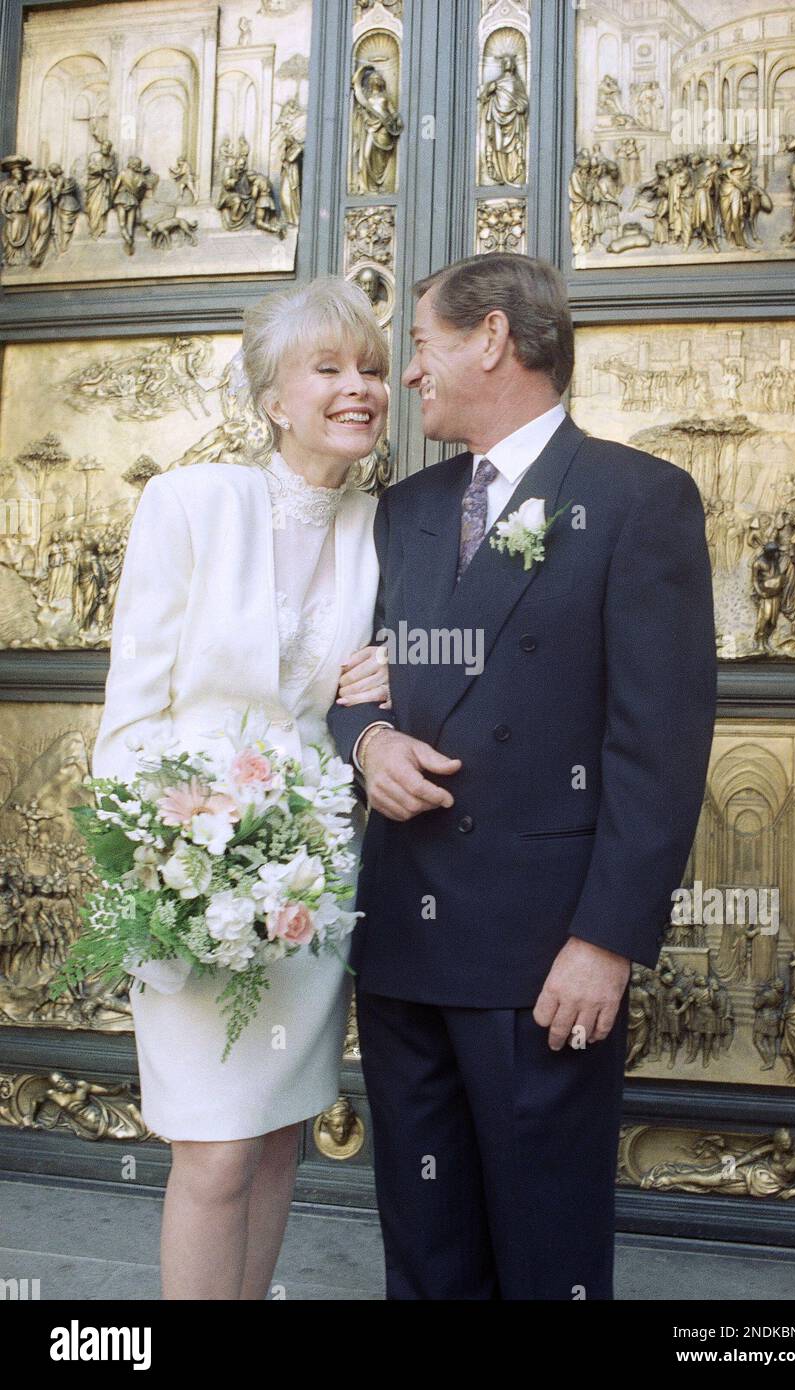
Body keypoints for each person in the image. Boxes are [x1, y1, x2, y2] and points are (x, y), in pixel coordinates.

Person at [329, 252, 716, 1299]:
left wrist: (605, 940)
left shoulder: (639, 499)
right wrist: (368, 743)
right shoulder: (406, 507)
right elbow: (349, 679)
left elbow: (662, 746)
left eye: (419, 345)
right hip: (404, 945)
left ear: (490, 338)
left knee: (546, 1255)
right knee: (426, 1251)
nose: (408, 375)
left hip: (544, 962)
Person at [90, 276, 391, 1299]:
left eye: (374, 369)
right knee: (215, 1150)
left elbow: (374, 702)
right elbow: (131, 713)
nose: (360, 388)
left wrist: (393, 682)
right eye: (331, 368)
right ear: (272, 397)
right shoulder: (188, 504)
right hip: (192, 876)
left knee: (274, 1142)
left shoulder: (385, 530)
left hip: (312, 882)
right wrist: (165, 863)